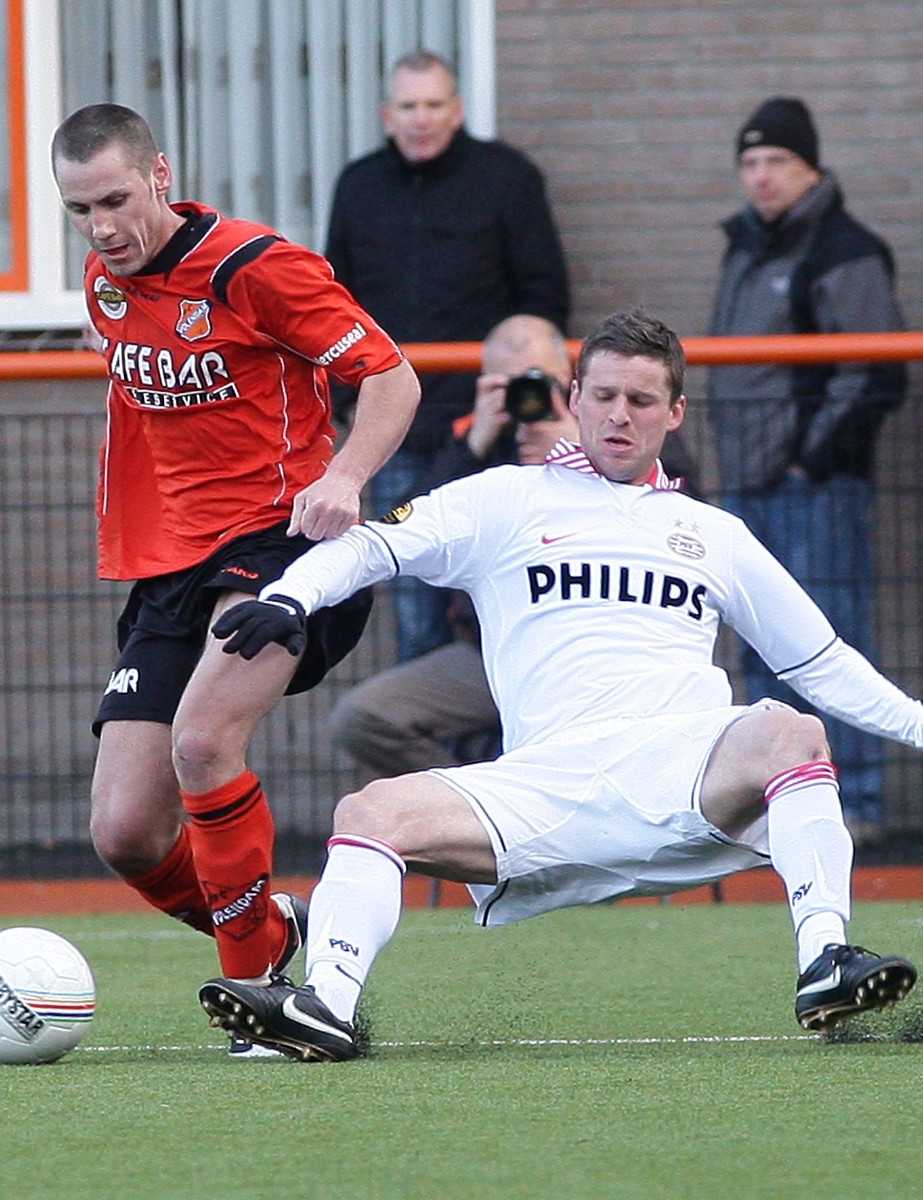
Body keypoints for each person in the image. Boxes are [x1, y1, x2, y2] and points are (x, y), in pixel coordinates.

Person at [197, 310, 923, 1061]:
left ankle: (825, 962)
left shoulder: (708, 531)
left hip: (684, 770)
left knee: (791, 729)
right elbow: (372, 546)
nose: (618, 414)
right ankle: (325, 1008)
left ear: (674, 414)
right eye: (602, 395)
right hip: (545, 787)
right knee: (368, 813)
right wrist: (288, 596)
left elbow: (816, 657)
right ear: (573, 397)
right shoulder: (505, 499)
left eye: (641, 400)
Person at [50, 103, 420, 1053]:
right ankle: (267, 933)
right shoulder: (104, 286)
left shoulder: (257, 268)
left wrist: (343, 480)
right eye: (80, 209)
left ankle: (259, 1000)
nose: (102, 228)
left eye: (117, 200)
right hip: (176, 570)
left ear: (160, 176)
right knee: (125, 830)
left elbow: (392, 379)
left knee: (203, 742)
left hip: (284, 544)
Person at [324, 49, 570, 664]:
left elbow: (546, 295)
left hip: (492, 428)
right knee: (415, 594)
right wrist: (347, 402)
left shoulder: (507, 179)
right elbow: (335, 308)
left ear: (457, 110)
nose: (421, 118)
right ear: (387, 114)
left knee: (503, 584)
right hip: (396, 431)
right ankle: (433, 754)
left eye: (434, 104)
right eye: (409, 105)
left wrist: (526, 398)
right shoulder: (359, 187)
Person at [706, 97, 906, 847]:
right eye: (749, 163)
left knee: (830, 643)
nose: (760, 177)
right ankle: (773, 804)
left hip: (809, 485)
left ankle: (856, 803)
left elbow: (872, 370)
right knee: (762, 647)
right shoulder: (745, 247)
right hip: (751, 484)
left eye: (776, 162)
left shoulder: (844, 250)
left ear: (810, 167)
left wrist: (805, 459)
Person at [329, 314, 575, 782]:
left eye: (535, 381)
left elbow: (674, 499)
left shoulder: (606, 430)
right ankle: (470, 813)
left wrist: (579, 451)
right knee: (362, 717)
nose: (525, 399)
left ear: (567, 378)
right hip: (487, 654)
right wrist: (477, 441)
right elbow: (406, 526)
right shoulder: (477, 440)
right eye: (506, 383)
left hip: (580, 656)